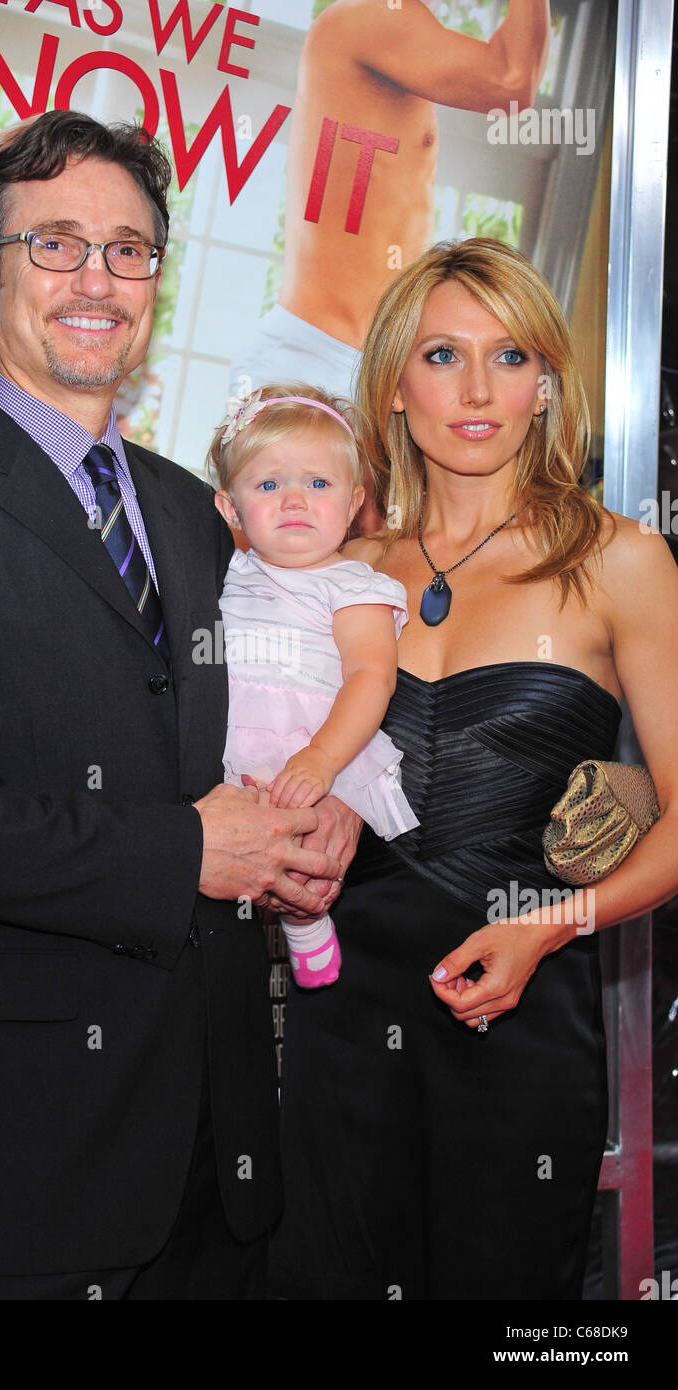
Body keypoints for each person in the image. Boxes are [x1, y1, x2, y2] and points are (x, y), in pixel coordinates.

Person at [0, 109, 361, 1301]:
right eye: (54, 244)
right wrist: (187, 851)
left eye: (128, 248)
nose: (96, 279)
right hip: (41, 1157)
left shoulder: (198, 515)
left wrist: (319, 813)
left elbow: (268, 713)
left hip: (230, 1155)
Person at [270, 237, 678, 1300]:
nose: (479, 389)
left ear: (546, 384)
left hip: (523, 1010)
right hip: (342, 1016)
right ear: (396, 385)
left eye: (511, 357)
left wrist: (552, 925)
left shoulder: (617, 559)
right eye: (444, 356)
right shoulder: (338, 572)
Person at [229, 0, 550, 400]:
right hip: (313, 359)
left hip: (367, 363)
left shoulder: (397, 29)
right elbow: (509, 83)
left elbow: (514, 72)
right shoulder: (375, 15)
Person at [209, 386, 418, 988]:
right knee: (239, 844)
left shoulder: (354, 584)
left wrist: (324, 758)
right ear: (230, 508)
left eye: (318, 485)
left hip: (317, 737)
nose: (294, 499)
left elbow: (371, 675)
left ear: (354, 502)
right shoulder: (228, 574)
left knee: (304, 845)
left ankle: (307, 920)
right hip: (232, 737)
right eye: (269, 485)